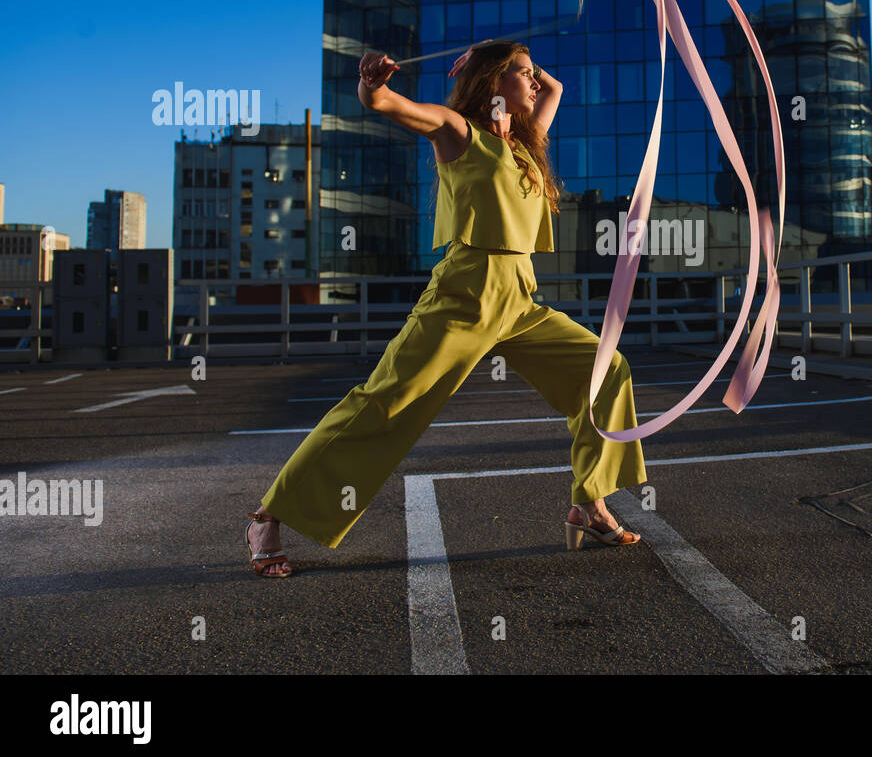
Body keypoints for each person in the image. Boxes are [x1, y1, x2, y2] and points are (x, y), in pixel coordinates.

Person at [245, 41, 647, 577]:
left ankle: (589, 503)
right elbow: (385, 103)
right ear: (492, 83)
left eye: (528, 74)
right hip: (463, 296)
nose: (533, 83)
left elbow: (555, 88)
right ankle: (269, 515)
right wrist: (372, 81)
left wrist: (503, 56)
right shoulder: (458, 132)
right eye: (520, 75)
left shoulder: (527, 145)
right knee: (385, 403)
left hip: (519, 301)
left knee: (607, 370)